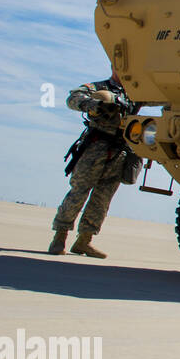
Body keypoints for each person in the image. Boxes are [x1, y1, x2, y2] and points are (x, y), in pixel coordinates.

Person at [50, 72, 141, 258]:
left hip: (119, 151)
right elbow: (73, 98)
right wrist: (96, 105)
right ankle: (60, 236)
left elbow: (164, 97)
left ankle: (84, 241)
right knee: (78, 192)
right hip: (95, 148)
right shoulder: (99, 87)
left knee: (102, 200)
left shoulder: (138, 91)